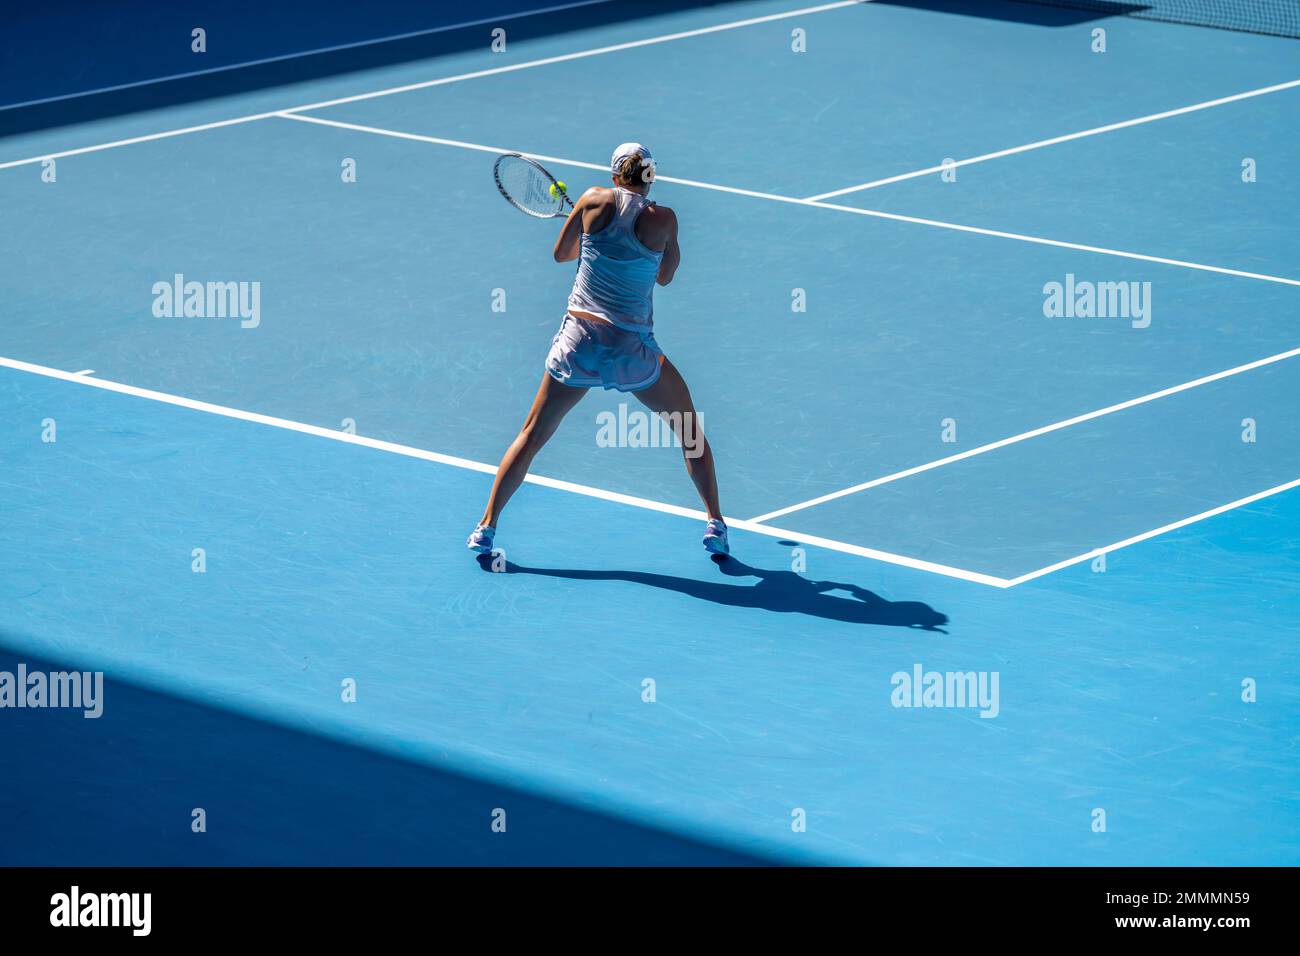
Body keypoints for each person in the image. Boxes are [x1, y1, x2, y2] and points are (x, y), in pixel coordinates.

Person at [468, 143, 727, 556]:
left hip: (578, 346)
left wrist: (594, 236)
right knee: (689, 431)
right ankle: (715, 523)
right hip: (631, 353)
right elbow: (665, 277)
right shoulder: (664, 219)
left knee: (531, 434)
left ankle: (486, 527)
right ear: (651, 177)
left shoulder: (590, 200)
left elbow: (561, 254)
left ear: (614, 176)